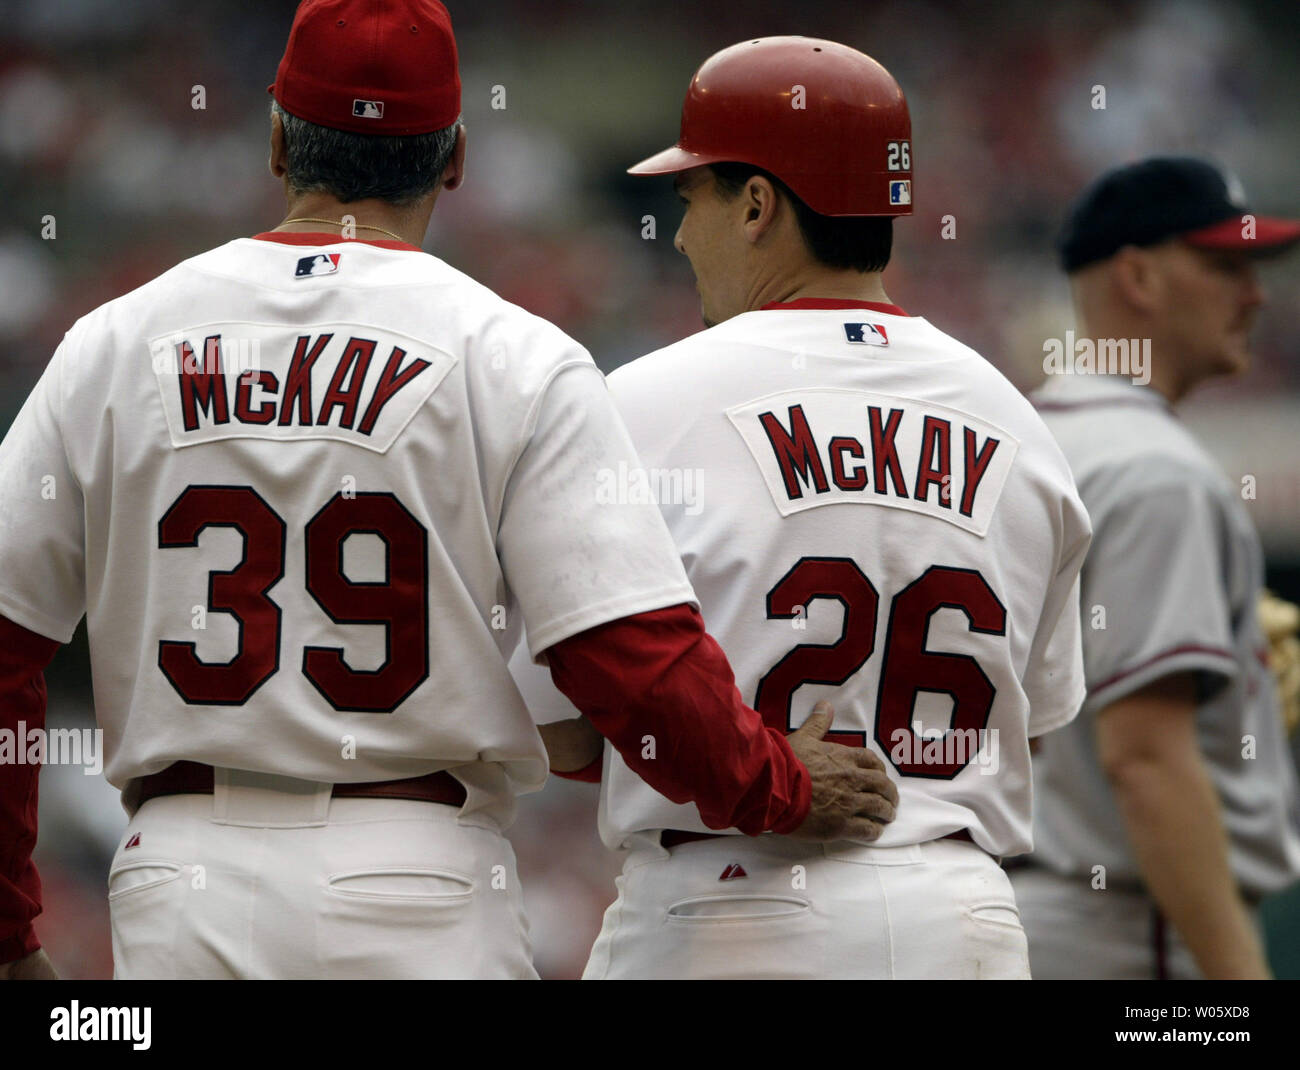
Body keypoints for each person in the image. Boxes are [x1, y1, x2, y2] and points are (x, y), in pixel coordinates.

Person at [0, 2, 897, 981]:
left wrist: (7, 929)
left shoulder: (116, 341)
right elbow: (628, 657)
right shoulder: (516, 355)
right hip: (421, 876)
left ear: (274, 141)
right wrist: (777, 783)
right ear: (455, 155)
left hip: (184, 873)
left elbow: (5, 642)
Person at [510, 36, 1091, 979]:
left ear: (755, 205)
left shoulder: (643, 403)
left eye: (690, 198)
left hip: (730, 910)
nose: (683, 234)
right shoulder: (1016, 418)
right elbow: (1037, 720)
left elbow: (565, 727)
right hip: (963, 912)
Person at [1011, 156, 1300, 979]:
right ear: (1137, 274)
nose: (1255, 294)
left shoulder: (1017, 437)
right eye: (1224, 265)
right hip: (1132, 931)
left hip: (1009, 910)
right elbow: (1145, 759)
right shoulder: (1156, 470)